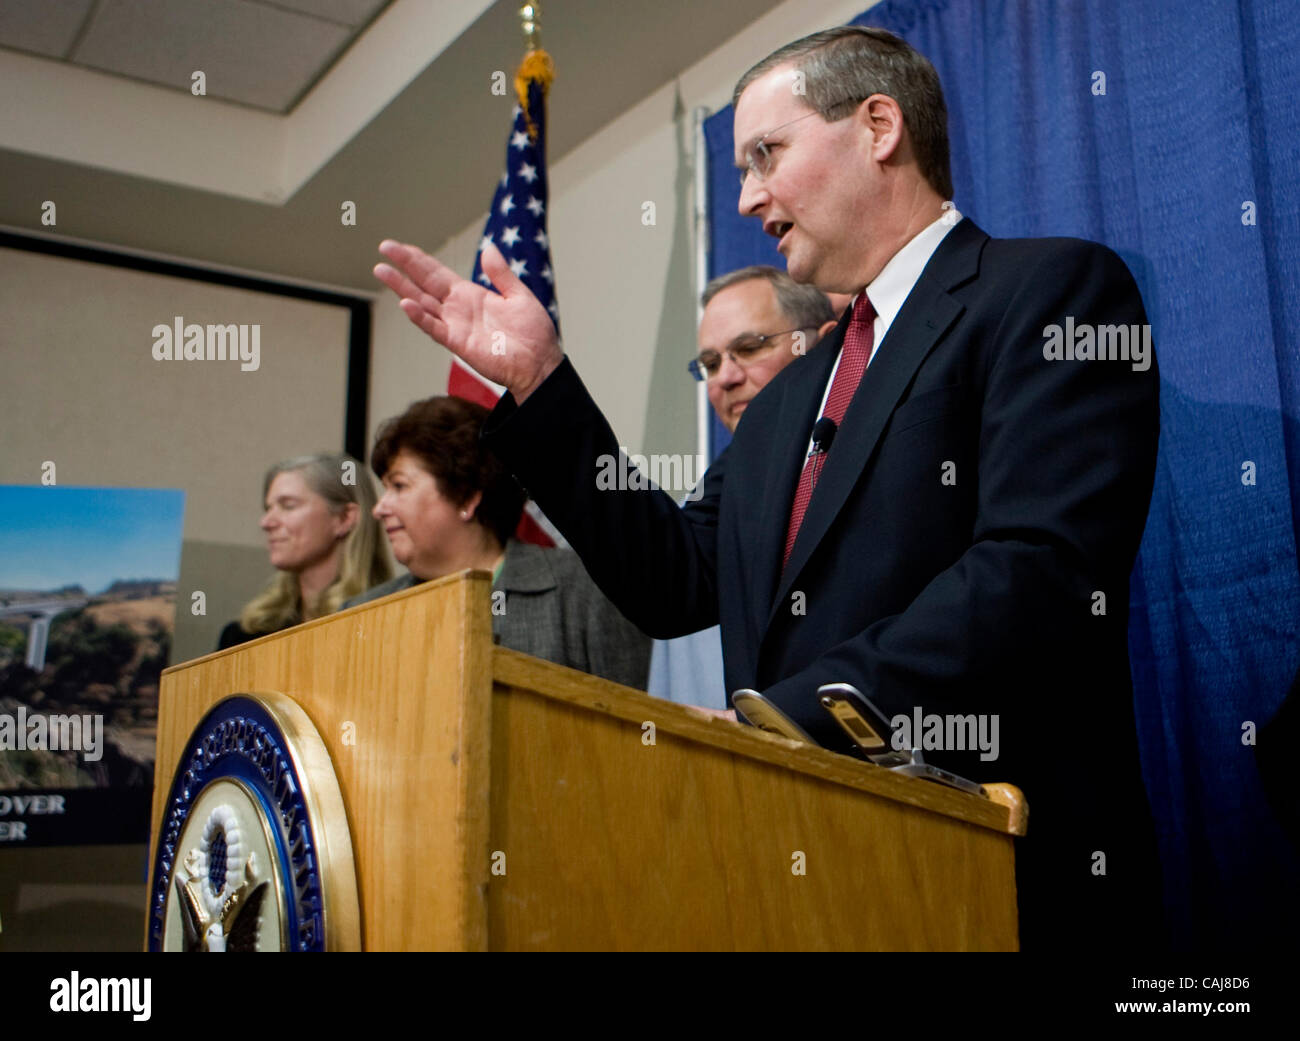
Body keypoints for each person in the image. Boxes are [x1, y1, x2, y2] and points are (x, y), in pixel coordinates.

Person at [372, 26, 1162, 949]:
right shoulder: (791, 396)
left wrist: (787, 718)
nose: (748, 196)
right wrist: (541, 383)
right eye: (741, 165)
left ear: (877, 126)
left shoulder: (1051, 292)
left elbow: (1041, 573)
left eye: (766, 155)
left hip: (1001, 876)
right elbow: (674, 579)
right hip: (794, 876)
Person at [343, 395, 650, 690]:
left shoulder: (584, 590)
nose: (380, 508)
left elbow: (642, 724)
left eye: (399, 486)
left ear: (467, 496)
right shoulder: (361, 615)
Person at [649, 266, 835, 708]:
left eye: (749, 348)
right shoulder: (695, 522)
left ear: (824, 344)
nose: (725, 378)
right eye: (710, 364)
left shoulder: (871, 466)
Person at [219, 453, 392, 649]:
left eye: (288, 506)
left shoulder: (388, 625)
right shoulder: (245, 636)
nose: (266, 522)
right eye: (268, 508)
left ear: (345, 518)